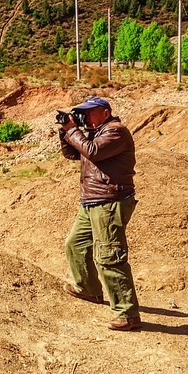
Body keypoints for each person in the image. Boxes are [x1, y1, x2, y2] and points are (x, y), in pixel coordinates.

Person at [57, 95, 141, 331]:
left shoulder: (116, 132)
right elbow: (72, 154)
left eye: (89, 112)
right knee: (76, 244)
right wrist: (65, 133)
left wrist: (73, 130)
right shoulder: (95, 133)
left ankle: (127, 313)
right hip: (91, 201)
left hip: (109, 201)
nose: (85, 116)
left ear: (104, 113)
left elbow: (91, 151)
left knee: (109, 256)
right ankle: (89, 289)